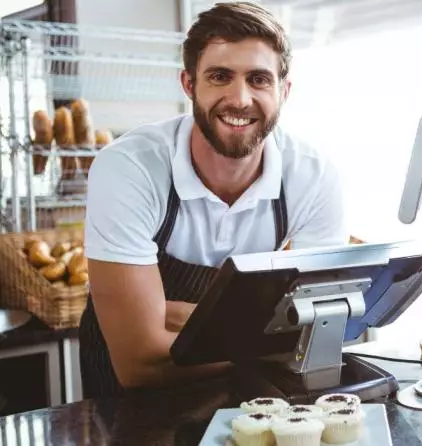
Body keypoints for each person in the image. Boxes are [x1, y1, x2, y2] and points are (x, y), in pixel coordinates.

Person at [79, 2, 348, 398]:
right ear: (189, 84)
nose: (239, 99)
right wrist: (267, 338)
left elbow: (322, 333)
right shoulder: (128, 168)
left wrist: (177, 321)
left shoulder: (311, 176)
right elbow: (140, 360)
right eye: (220, 77)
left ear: (283, 90)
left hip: (249, 399)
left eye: (258, 79)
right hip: (129, 405)